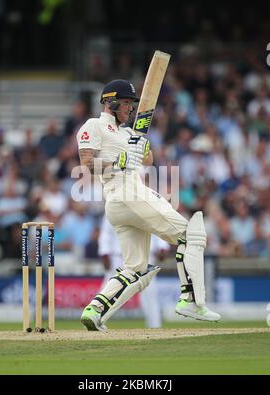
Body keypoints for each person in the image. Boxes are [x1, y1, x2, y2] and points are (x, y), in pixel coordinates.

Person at [77, 79, 221, 331]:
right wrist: (118, 161)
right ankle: (191, 301)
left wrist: (141, 144)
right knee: (192, 236)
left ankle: (96, 310)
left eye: (132, 104)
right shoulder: (94, 125)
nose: (131, 109)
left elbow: (148, 159)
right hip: (123, 193)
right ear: (110, 102)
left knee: (136, 268)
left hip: (124, 202)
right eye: (126, 104)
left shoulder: (129, 132)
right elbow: (86, 163)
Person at [99, 215, 170, 328]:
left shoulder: (148, 205)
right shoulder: (114, 204)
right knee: (107, 291)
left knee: (150, 295)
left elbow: (157, 228)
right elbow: (106, 233)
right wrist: (104, 252)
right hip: (118, 257)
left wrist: (162, 247)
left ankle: (155, 326)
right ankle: (96, 320)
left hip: (144, 257)